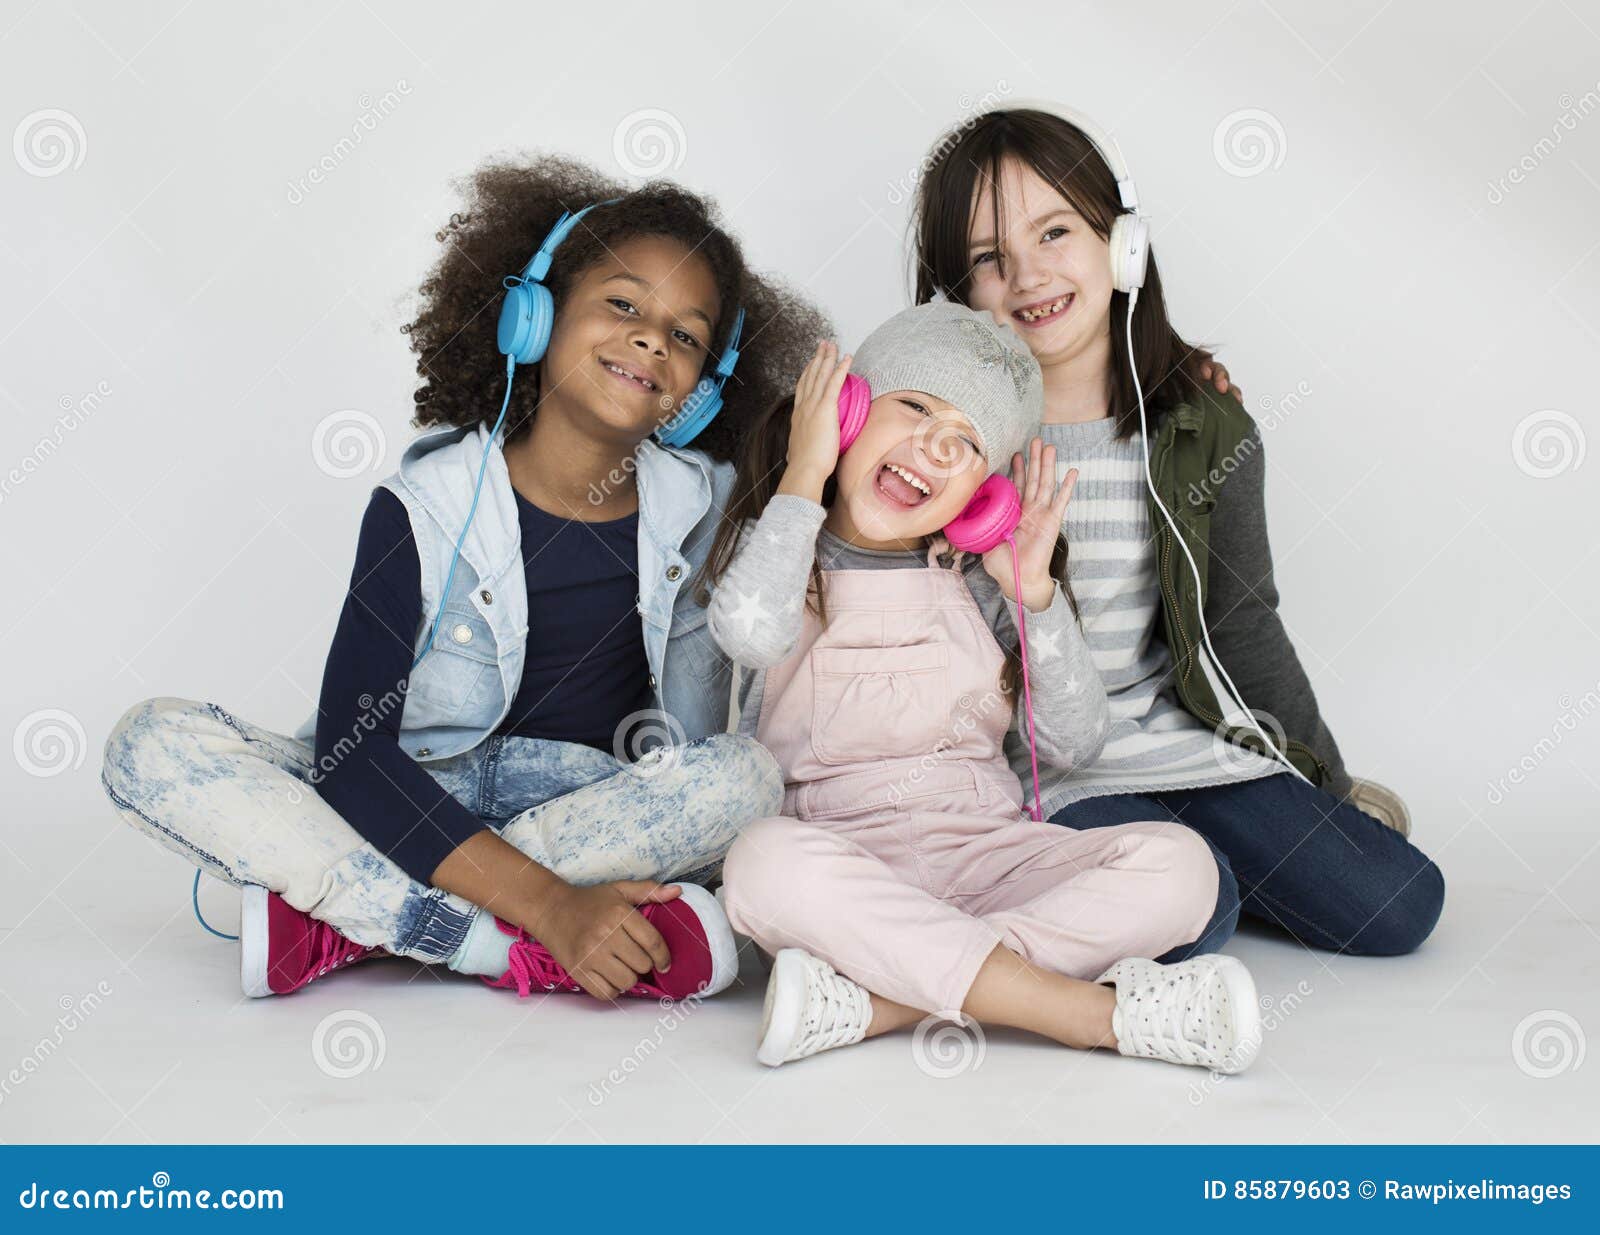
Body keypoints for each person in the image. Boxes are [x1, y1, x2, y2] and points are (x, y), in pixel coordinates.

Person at [708, 303, 1261, 1074]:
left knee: (1185, 867)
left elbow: (1073, 742)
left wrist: (1036, 598)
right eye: (915, 406)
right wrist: (805, 473)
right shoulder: (781, 541)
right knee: (760, 862)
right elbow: (747, 632)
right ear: (847, 410)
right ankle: (1084, 1014)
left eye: (966, 442)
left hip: (989, 856)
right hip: (847, 864)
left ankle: (878, 1002)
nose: (934, 443)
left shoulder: (982, 580)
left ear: (982, 495)